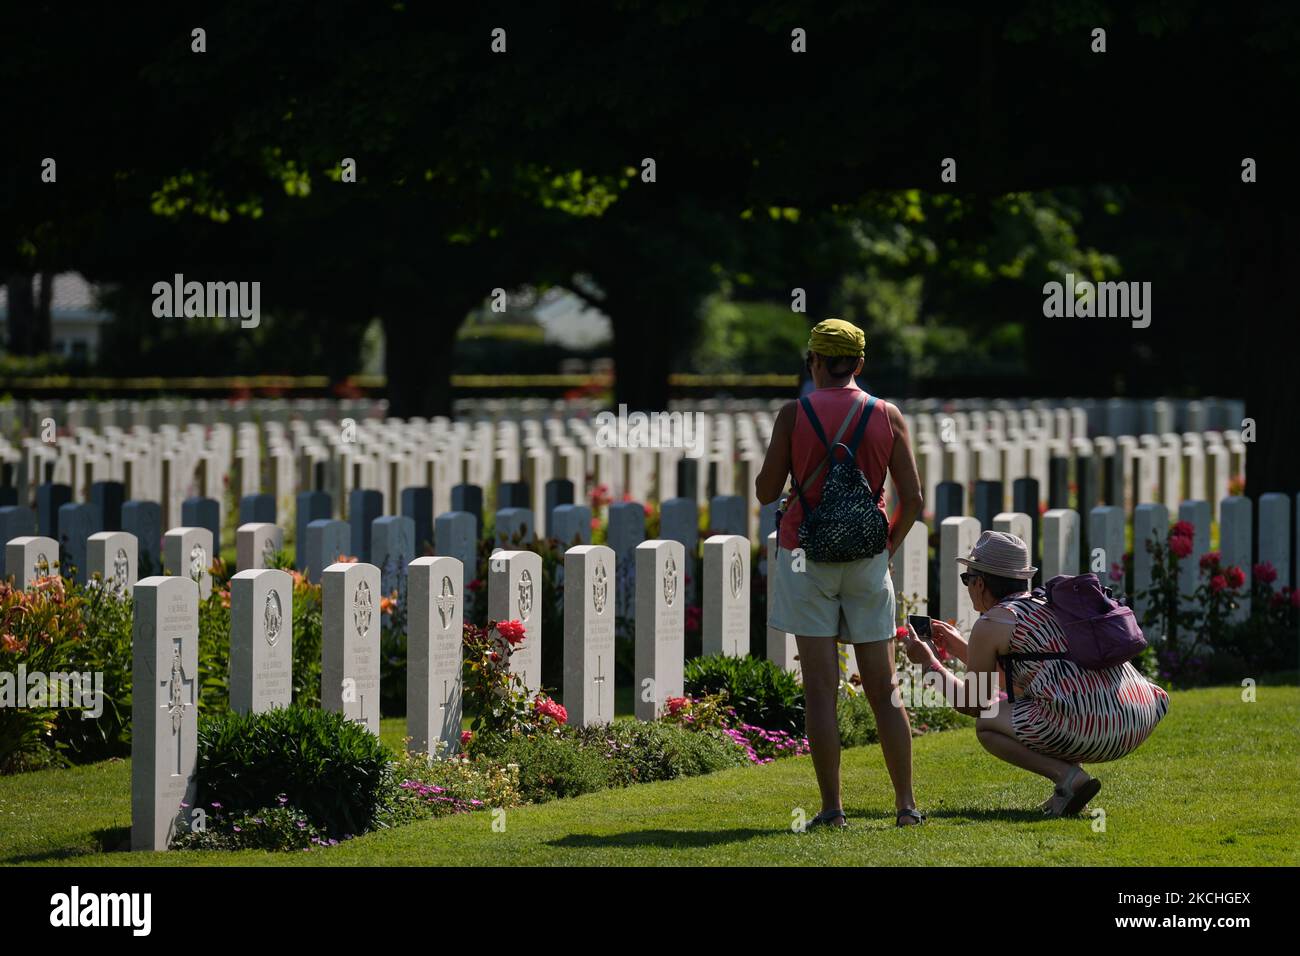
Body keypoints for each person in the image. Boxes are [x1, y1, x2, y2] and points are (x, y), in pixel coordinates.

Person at [755, 318, 925, 828]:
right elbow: (913, 501)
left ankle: (832, 808)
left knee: (821, 687)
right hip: (867, 559)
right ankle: (906, 806)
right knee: (884, 687)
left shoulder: (794, 413)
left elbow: (766, 492)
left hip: (805, 559)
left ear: (813, 361)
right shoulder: (887, 415)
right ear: (860, 363)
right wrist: (885, 547)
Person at [899, 531, 1170, 817]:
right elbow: (1022, 678)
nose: (967, 586)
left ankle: (1069, 779)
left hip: (1093, 726)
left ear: (980, 582)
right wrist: (957, 647)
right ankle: (1066, 791)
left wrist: (929, 664)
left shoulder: (992, 622)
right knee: (1042, 702)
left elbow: (973, 704)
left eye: (967, 579)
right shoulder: (1049, 604)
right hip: (1137, 715)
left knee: (987, 723)